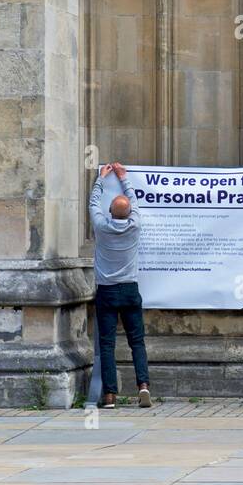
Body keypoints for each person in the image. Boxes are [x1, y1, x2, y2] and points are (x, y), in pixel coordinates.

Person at [89, 162, 151, 408]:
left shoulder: (102, 227)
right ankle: (143, 386)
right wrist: (124, 178)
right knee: (137, 341)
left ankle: (110, 395)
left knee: (107, 343)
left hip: (107, 291)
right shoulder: (134, 226)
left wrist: (101, 180)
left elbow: (93, 205)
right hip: (129, 289)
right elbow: (134, 203)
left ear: (110, 213)